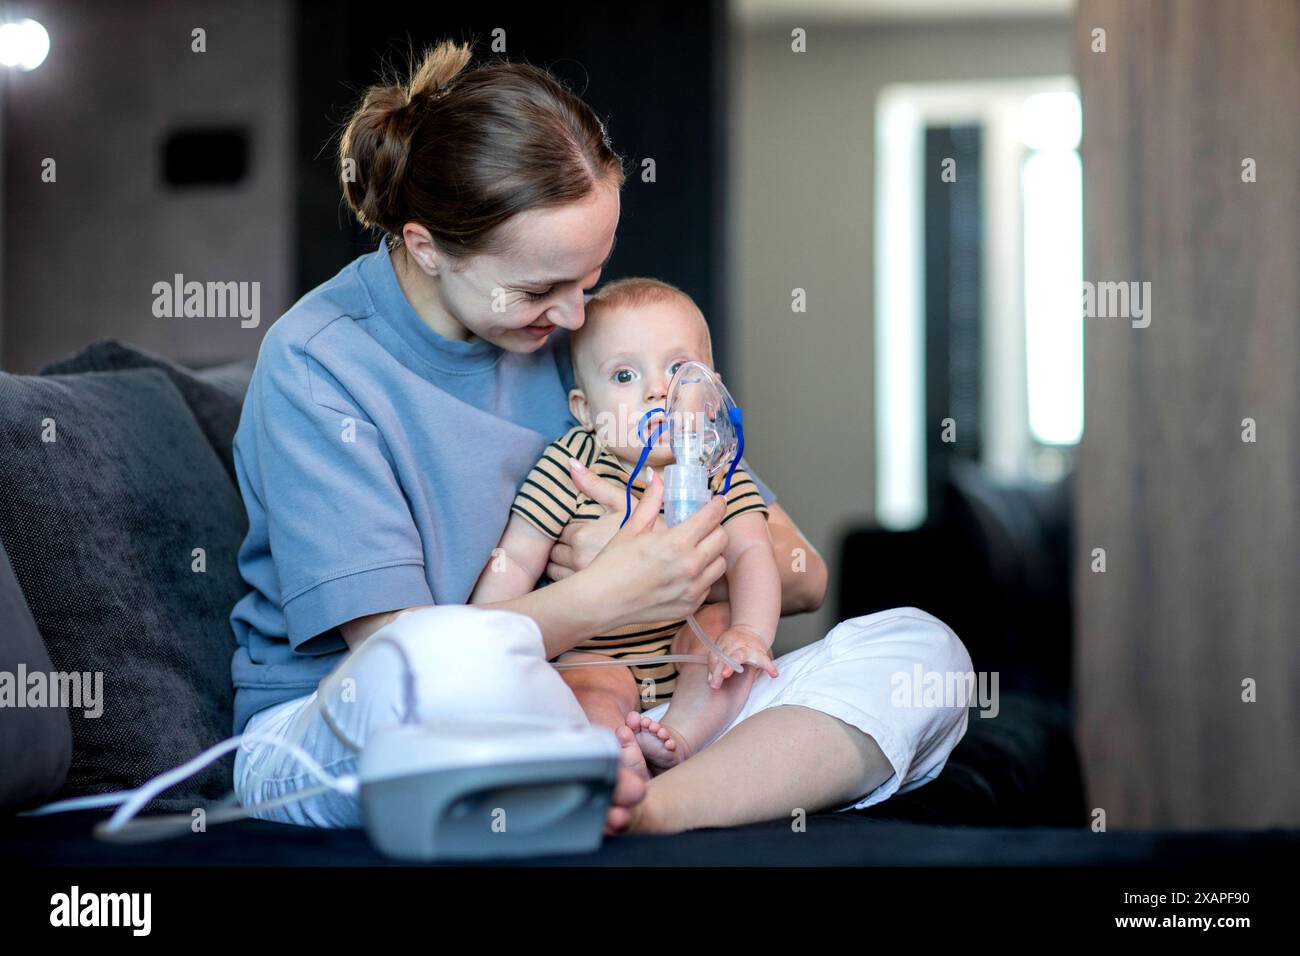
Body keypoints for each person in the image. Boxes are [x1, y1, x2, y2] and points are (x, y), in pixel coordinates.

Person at [229, 39, 972, 835]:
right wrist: (599, 594)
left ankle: (646, 807)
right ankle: (594, 771)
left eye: (589, 280)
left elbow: (797, 575)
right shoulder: (321, 363)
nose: (576, 319)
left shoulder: (600, 351)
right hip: (347, 721)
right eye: (541, 290)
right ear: (426, 248)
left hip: (624, 688)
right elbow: (399, 656)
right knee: (443, 661)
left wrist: (670, 570)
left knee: (926, 657)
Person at [471, 276, 782, 780]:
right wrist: (489, 626)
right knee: (587, 688)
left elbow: (752, 553)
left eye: (680, 369)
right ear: (585, 411)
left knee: (724, 638)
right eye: (623, 376)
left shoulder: (718, 467)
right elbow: (521, 554)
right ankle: (613, 758)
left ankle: (679, 738)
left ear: (713, 391)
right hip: (597, 652)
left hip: (687, 641)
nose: (659, 390)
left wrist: (750, 631)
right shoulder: (573, 465)